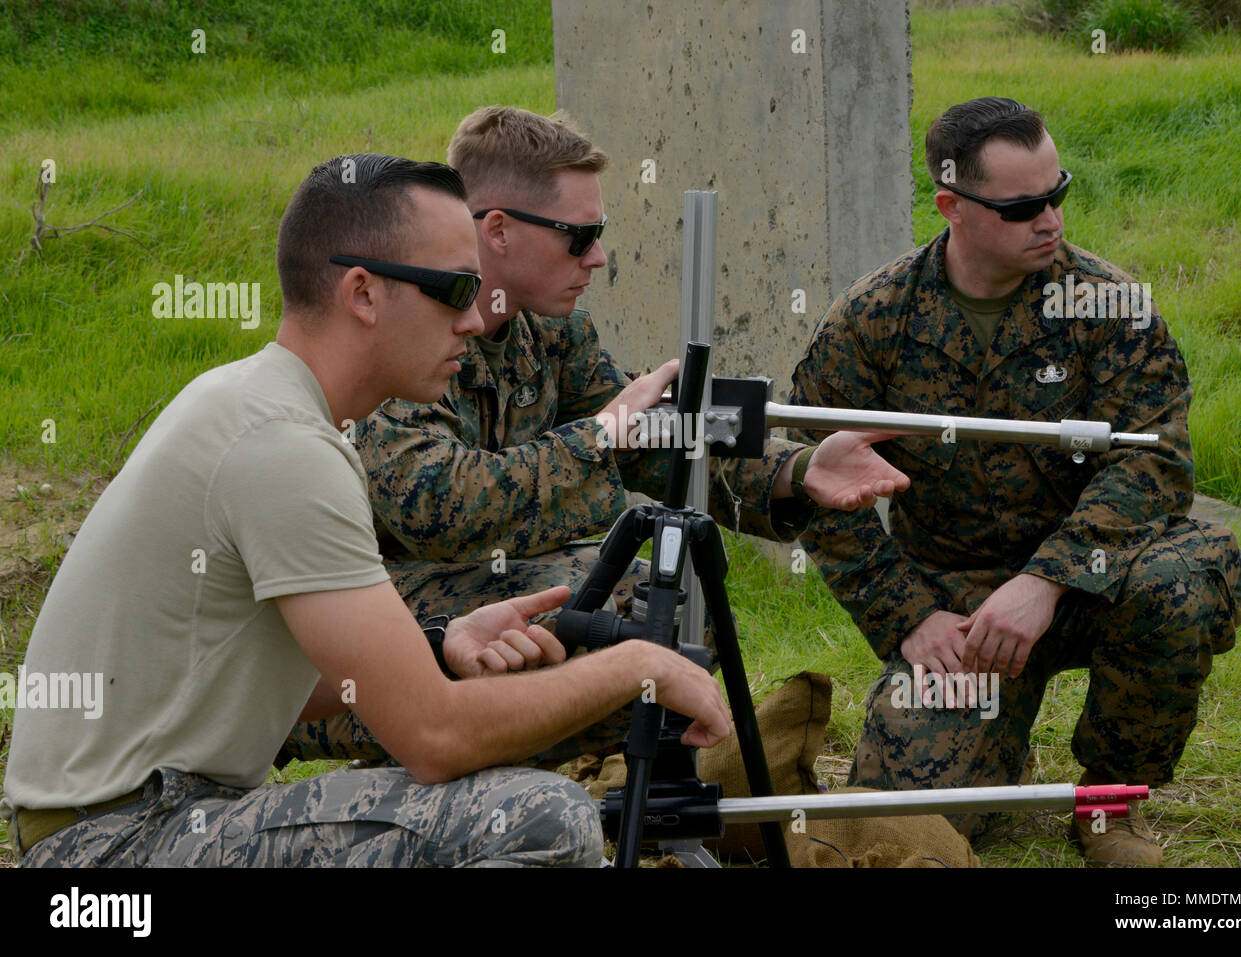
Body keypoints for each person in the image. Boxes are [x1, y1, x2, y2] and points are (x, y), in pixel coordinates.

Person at [1, 154, 734, 867]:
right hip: (114, 845)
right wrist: (636, 665)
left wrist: (439, 643)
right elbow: (434, 738)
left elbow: (247, 678)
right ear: (362, 293)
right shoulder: (283, 448)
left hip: (125, 824)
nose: (476, 320)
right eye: (454, 289)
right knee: (545, 819)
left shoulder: (265, 407)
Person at [281, 107, 907, 766]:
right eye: (580, 236)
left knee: (673, 607)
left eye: (599, 233)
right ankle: (432, 764)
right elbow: (447, 508)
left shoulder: (550, 332)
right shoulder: (405, 327)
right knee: (607, 622)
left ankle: (479, 779)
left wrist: (797, 468)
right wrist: (597, 438)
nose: (599, 257)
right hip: (347, 627)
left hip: (466, 595)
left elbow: (647, 431)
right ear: (498, 230)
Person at [789, 97, 1241, 866]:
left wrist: (1046, 580)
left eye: (1057, 193)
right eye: (1023, 206)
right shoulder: (874, 320)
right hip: (958, 611)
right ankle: (996, 755)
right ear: (953, 207)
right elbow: (807, 476)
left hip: (1093, 581)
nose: (1052, 221)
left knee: (1183, 578)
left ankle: (1111, 799)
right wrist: (908, 614)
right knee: (906, 825)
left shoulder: (1109, 305)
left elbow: (1154, 462)